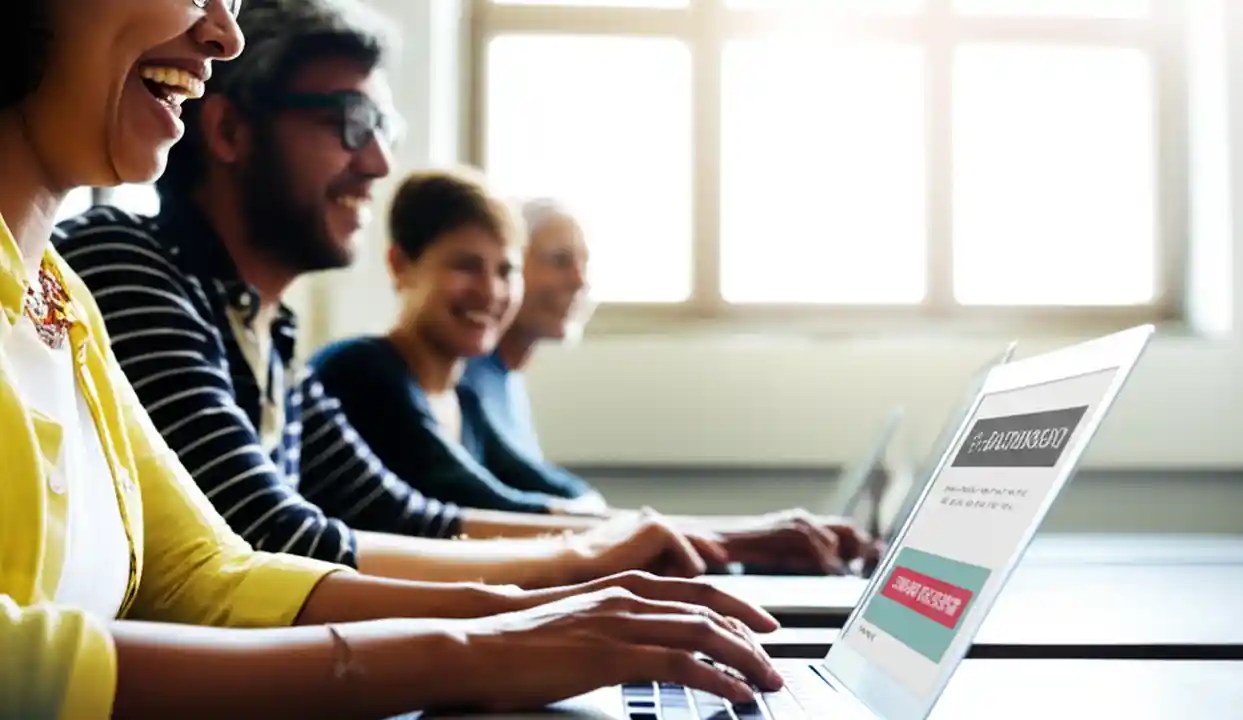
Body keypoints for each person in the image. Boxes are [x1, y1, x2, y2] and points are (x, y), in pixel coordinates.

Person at [2, 0, 785, 716]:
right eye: (349, 121)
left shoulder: (66, 294)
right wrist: (500, 630)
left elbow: (208, 572)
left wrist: (542, 614)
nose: (223, 33)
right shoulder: (123, 261)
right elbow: (284, 533)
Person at [314, 173, 876, 575]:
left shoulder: (460, 392)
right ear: (399, 266)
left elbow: (550, 499)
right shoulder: (365, 373)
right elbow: (479, 511)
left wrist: (730, 537)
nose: (491, 291)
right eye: (466, 266)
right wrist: (733, 537)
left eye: (505, 269)